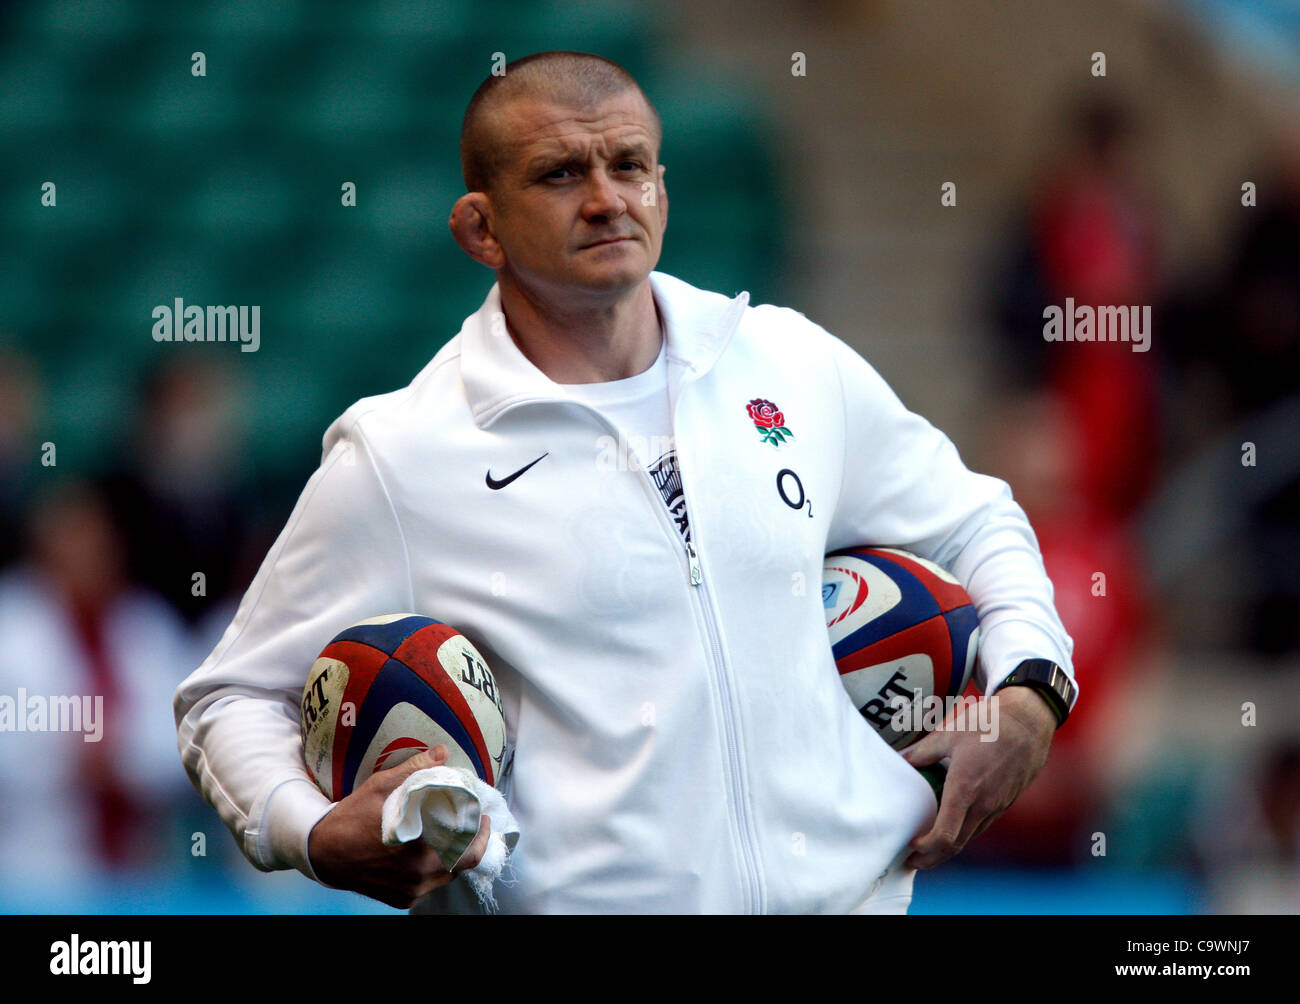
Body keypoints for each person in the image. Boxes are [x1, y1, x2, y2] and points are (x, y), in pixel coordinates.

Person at [174, 51, 1077, 914]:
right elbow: (232, 697)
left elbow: (975, 522)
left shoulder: (789, 362)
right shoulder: (401, 453)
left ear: (663, 188)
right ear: (479, 228)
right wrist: (313, 833)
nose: (608, 199)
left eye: (630, 165)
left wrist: (1032, 690)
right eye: (561, 173)